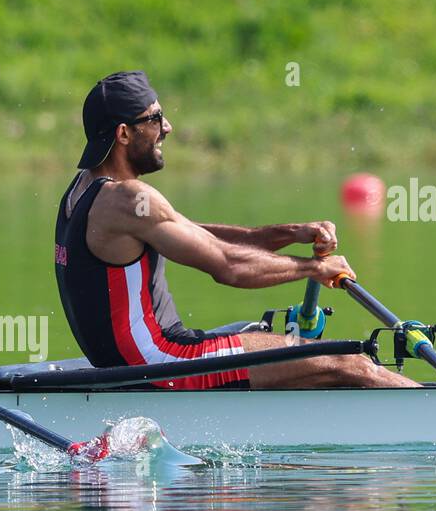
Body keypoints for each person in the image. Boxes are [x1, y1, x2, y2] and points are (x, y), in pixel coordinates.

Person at [55, 71, 417, 389]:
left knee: (262, 334)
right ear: (123, 133)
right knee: (349, 361)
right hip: (161, 362)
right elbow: (229, 267)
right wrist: (314, 268)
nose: (167, 127)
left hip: (141, 360)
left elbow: (206, 238)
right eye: (156, 118)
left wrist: (292, 232)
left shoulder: (84, 190)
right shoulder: (127, 199)